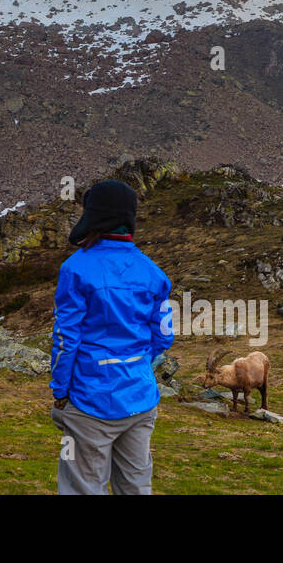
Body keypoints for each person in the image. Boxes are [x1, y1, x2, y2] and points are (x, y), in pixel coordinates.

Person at [49, 179, 173, 494]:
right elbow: (164, 336)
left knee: (81, 486)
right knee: (136, 486)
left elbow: (66, 340)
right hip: (141, 399)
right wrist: (138, 365)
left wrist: (61, 392)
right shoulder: (154, 273)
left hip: (90, 400)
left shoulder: (74, 269)